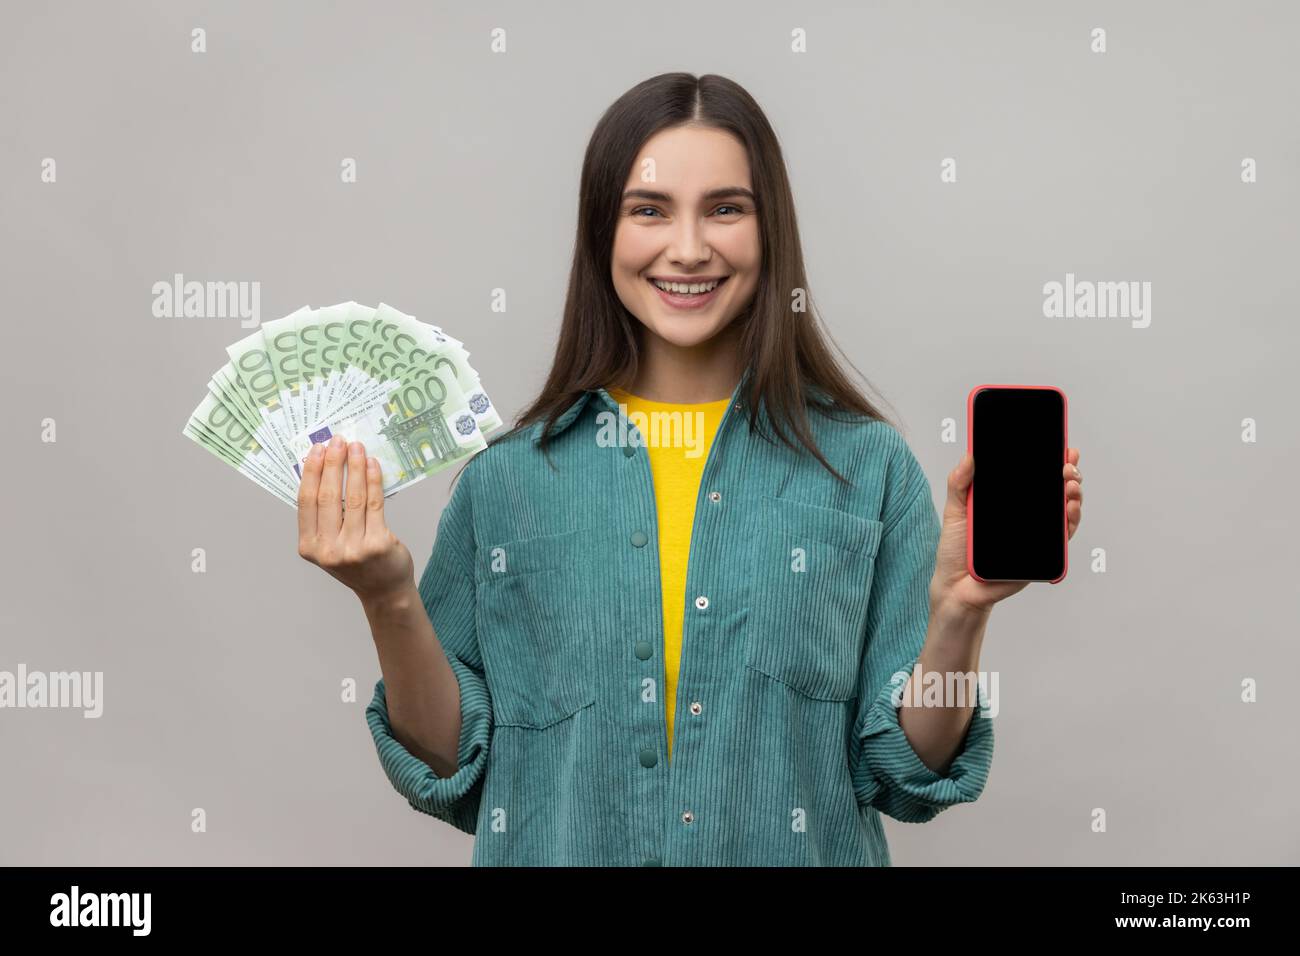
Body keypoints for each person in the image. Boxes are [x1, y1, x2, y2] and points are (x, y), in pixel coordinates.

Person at [295, 72, 1085, 866]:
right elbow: (444, 767)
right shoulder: (509, 480)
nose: (688, 247)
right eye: (649, 210)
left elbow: (911, 775)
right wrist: (387, 597)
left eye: (725, 208)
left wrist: (959, 612)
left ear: (769, 229)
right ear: (602, 231)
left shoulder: (867, 468)